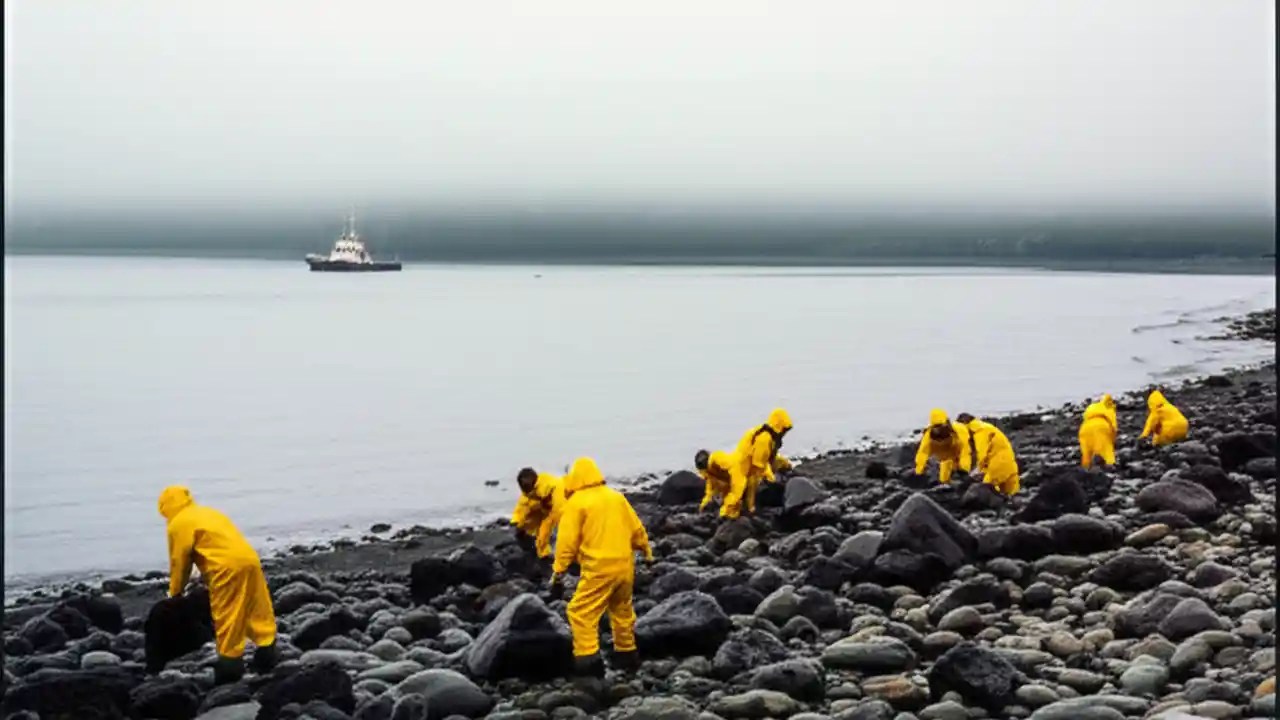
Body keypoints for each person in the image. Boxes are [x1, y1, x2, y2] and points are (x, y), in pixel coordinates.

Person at [158, 486, 277, 684]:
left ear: (165, 506)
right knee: (257, 608)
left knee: (229, 614)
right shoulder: (208, 513)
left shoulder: (178, 524)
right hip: (249, 560)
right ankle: (268, 655)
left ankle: (230, 668)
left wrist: (175, 592)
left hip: (224, 568)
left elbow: (180, 562)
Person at [550, 457, 653, 678]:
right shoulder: (616, 497)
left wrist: (558, 572)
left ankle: (589, 662)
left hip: (599, 568)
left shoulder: (577, 503)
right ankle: (627, 655)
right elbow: (636, 528)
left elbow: (566, 542)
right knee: (622, 610)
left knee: (580, 612)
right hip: (625, 565)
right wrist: (646, 552)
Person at [735, 408, 794, 514]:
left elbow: (770, 458)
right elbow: (757, 467)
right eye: (784, 430)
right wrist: (771, 478)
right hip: (745, 469)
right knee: (754, 480)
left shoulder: (771, 437)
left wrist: (785, 464)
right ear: (780, 427)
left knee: (781, 466)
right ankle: (750, 506)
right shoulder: (764, 439)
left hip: (755, 464)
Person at [956, 414, 1020, 496]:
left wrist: (974, 474)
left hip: (999, 465)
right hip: (1007, 463)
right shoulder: (984, 428)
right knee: (1011, 495)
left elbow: (982, 455)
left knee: (982, 489)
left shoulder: (980, 433)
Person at [510, 467, 567, 558]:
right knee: (537, 533)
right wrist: (516, 522)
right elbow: (522, 506)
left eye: (526, 486)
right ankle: (545, 555)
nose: (524, 486)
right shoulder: (529, 494)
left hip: (558, 509)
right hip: (545, 509)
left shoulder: (553, 486)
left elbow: (560, 508)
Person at [914, 409, 973, 484]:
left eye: (940, 426)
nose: (938, 429)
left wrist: (964, 470)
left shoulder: (959, 430)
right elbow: (923, 453)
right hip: (945, 456)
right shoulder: (928, 436)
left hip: (958, 449)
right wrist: (919, 470)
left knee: (963, 473)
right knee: (944, 479)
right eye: (936, 426)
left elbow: (965, 451)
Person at [694, 449, 749, 519]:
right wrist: (703, 506)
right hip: (737, 484)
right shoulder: (710, 473)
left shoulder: (718, 459)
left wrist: (730, 502)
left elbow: (737, 477)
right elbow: (710, 491)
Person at [1079, 394, 1118, 468]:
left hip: (1084, 428)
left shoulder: (1092, 407)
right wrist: (1112, 440)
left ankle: (1085, 467)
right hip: (1101, 426)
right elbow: (1114, 426)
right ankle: (1111, 465)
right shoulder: (1109, 408)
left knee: (1087, 451)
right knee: (1106, 450)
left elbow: (1085, 417)